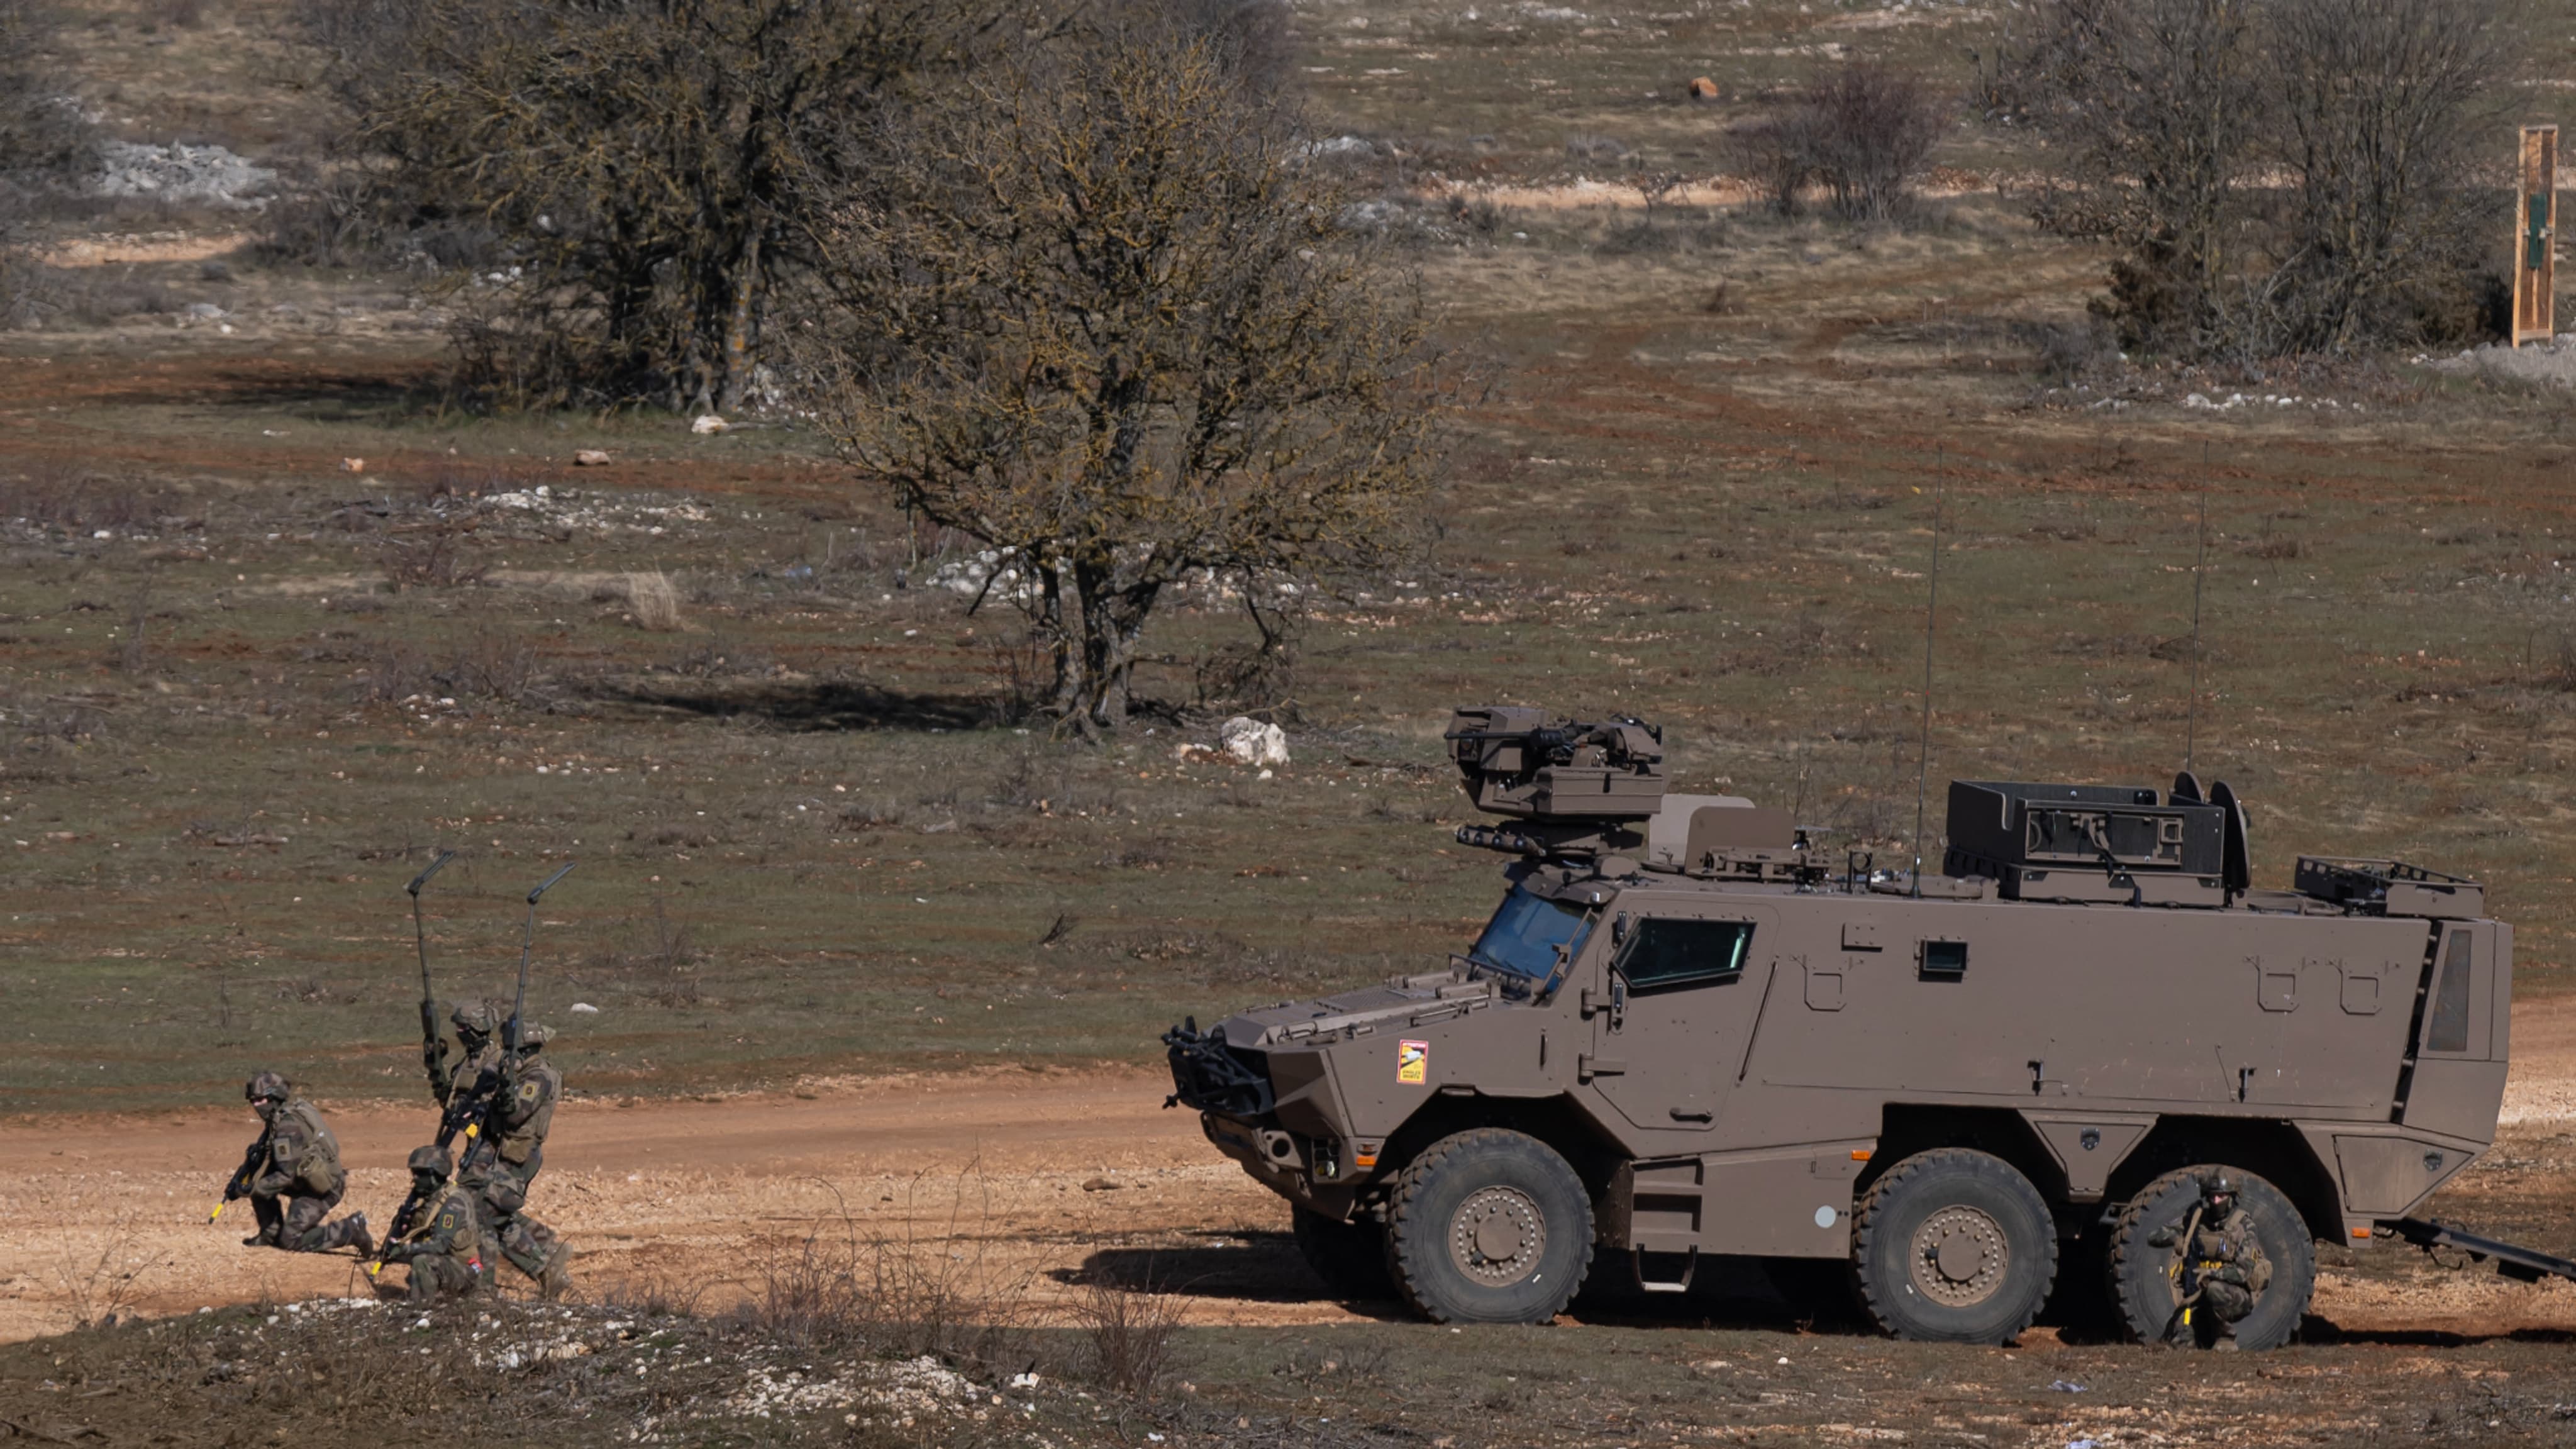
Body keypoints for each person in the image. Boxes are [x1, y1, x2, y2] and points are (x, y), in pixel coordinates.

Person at [463, 1021, 572, 1296]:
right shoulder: (523, 1071)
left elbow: (515, 1114)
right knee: (493, 1210)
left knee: (488, 1214)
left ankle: (541, 1269)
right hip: (508, 1150)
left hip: (519, 1156)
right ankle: (546, 1244)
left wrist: (506, 1091)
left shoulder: (538, 1077)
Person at [228, 1072, 370, 1255]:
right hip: (306, 1180)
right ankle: (270, 1234)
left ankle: (351, 1230)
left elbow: (286, 1176)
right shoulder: (280, 1118)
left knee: (291, 1240)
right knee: (259, 1180)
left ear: (273, 1098)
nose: (255, 1105)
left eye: (260, 1100)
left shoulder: (287, 1127)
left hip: (323, 1189)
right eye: (253, 1101)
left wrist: (250, 1189)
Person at [2154, 1172, 2272, 1348]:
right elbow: (2155, 1236)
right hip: (2196, 1292)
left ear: (2232, 1197)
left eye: (2221, 1196)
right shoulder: (2196, 1219)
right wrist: (2177, 1239)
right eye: (2212, 1196)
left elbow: (2243, 1271)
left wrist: (2212, 1274)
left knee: (2215, 1290)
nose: (2216, 1201)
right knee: (2178, 1335)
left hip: (2233, 1294)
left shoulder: (2244, 1226)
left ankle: (2226, 1337)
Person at [375, 1145, 483, 1302]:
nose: (415, 1178)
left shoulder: (453, 1203)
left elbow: (440, 1245)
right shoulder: (425, 1198)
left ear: (435, 1175)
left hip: (465, 1273)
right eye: (414, 1173)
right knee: (418, 1260)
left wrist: (406, 1249)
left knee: (422, 1262)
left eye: (420, 1174)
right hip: (446, 1264)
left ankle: (422, 1310)